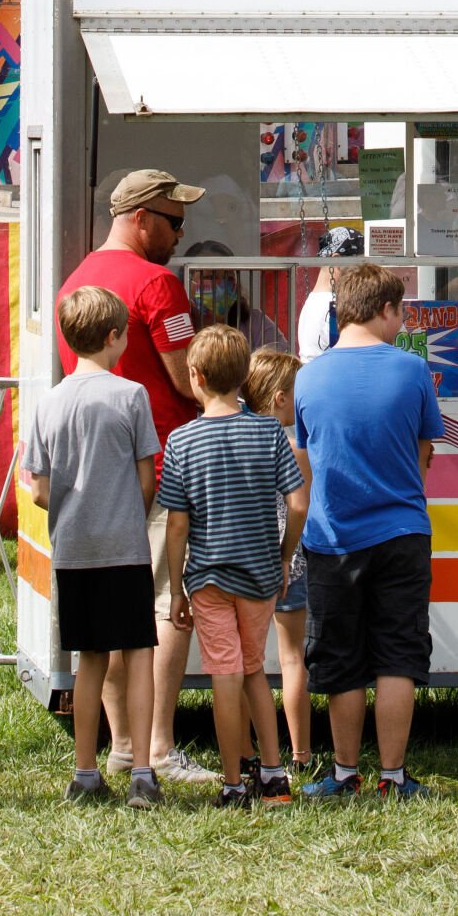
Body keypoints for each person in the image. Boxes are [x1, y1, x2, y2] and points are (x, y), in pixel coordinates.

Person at [56, 166, 208, 784]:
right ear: (142, 219)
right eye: (174, 222)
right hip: (164, 465)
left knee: (117, 615)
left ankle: (122, 745)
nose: (180, 234)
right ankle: (161, 746)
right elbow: (186, 377)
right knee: (169, 604)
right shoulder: (159, 284)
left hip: (95, 475)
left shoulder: (78, 278)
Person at [291, 261, 444, 800]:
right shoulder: (412, 372)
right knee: (399, 654)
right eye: (400, 311)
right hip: (403, 531)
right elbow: (425, 451)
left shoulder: (307, 376)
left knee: (342, 659)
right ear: (384, 310)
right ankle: (395, 777)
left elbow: (306, 464)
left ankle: (343, 774)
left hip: (331, 537)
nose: (402, 322)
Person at [26, 282, 162, 807]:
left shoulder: (51, 401)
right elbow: (146, 475)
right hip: (125, 545)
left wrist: (68, 508)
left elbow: (37, 487)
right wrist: (131, 509)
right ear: (113, 337)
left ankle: (85, 771)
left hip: (74, 548)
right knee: (139, 657)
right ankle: (143, 772)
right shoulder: (131, 396)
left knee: (89, 661)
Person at [160, 323, 304, 808]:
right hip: (261, 573)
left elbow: (177, 525)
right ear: (245, 377)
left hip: (208, 577)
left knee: (224, 672)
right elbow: (298, 503)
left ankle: (232, 782)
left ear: (195, 376)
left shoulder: (182, 442)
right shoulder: (267, 431)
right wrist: (285, 557)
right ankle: (275, 774)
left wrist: (178, 588)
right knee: (254, 671)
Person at [246, 346, 314, 773]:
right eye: (296, 392)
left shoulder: (236, 436)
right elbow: (301, 504)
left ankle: (250, 754)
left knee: (246, 662)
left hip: (245, 561)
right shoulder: (294, 446)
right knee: (292, 658)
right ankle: (301, 753)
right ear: (278, 397)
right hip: (291, 560)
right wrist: (288, 554)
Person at [297, 228, 364, 361]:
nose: (363, 273)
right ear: (337, 261)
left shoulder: (314, 301)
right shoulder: (332, 305)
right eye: (359, 264)